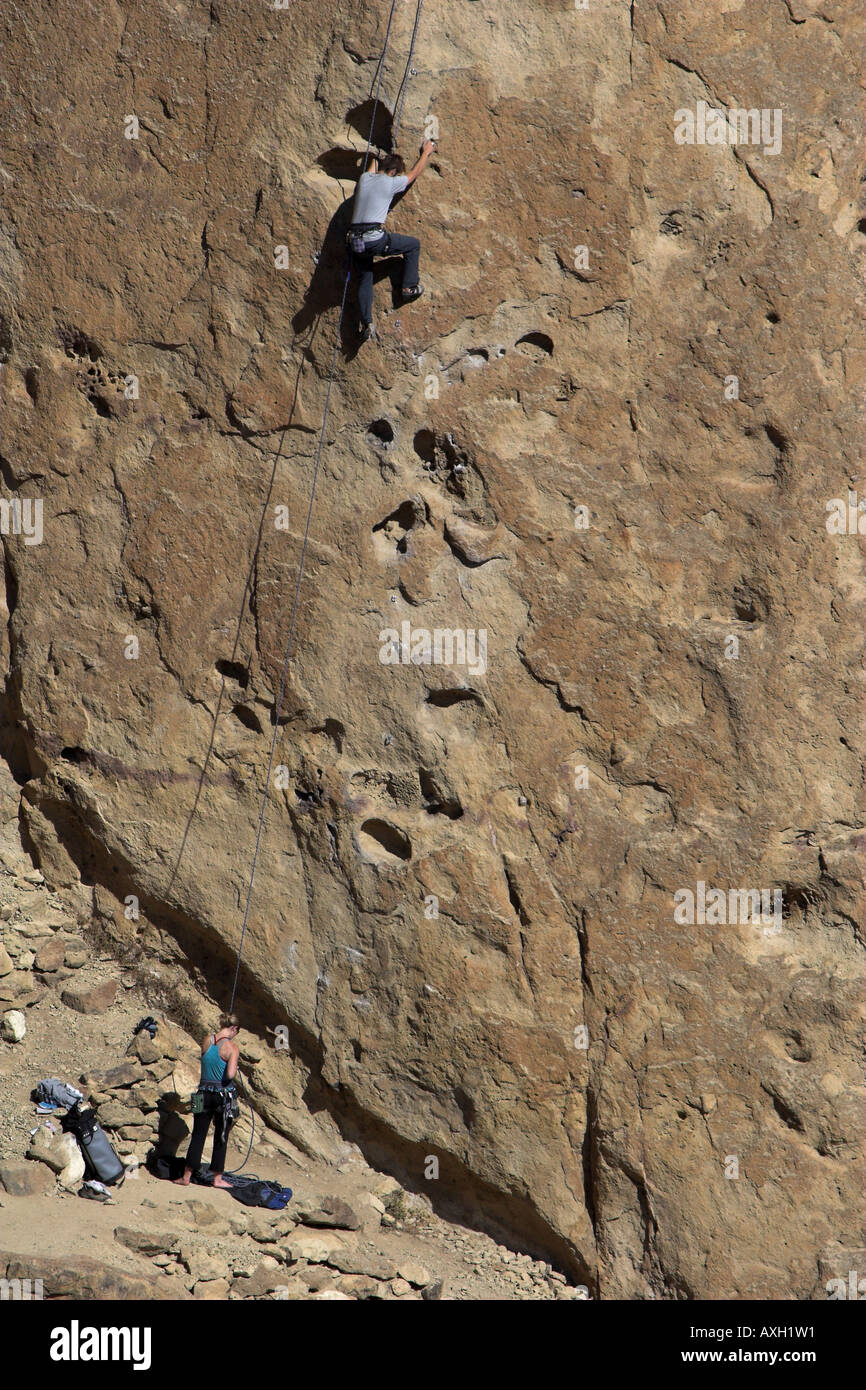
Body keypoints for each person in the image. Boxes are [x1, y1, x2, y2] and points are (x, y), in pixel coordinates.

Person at [348, 139, 436, 342]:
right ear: (395, 172)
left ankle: (367, 322)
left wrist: (376, 156)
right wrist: (426, 153)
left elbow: (373, 165)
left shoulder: (364, 179)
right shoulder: (390, 182)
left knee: (365, 277)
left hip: (356, 242)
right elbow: (413, 175)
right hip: (373, 238)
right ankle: (408, 287)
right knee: (413, 245)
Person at [175, 1013, 241, 1189]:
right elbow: (230, 1074)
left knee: (197, 1134)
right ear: (233, 1029)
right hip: (221, 1096)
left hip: (201, 1093)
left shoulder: (206, 1040)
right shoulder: (232, 1047)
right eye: (237, 1031)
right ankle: (217, 1179)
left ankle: (186, 1176)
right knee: (221, 1135)